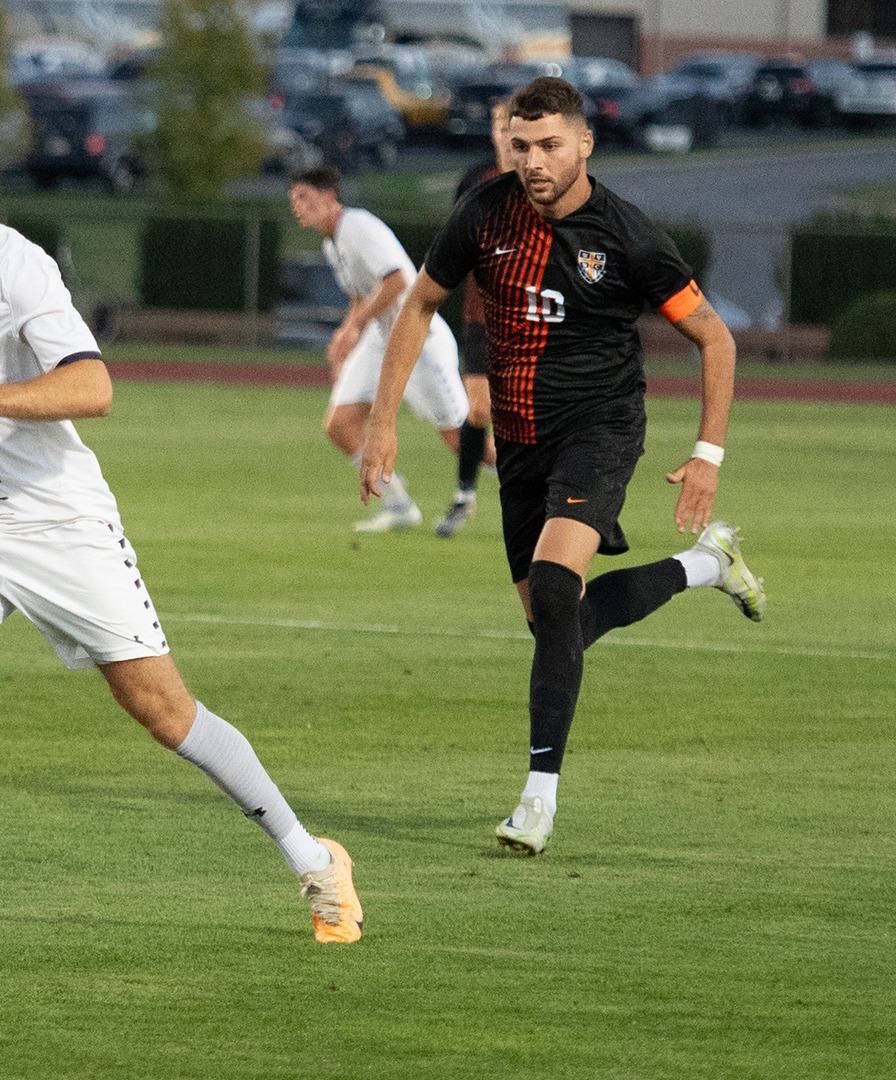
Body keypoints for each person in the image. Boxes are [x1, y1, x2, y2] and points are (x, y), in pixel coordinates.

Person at [0, 99, 364, 943]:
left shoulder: (17, 268)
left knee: (165, 713)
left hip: (62, 523)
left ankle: (315, 859)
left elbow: (95, 387)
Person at [358, 77, 766, 856]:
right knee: (559, 625)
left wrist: (706, 455)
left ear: (584, 144)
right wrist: (383, 423)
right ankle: (707, 566)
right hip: (520, 442)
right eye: (521, 146)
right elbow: (418, 304)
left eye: (549, 146)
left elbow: (717, 338)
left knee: (552, 587)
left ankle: (537, 800)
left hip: (601, 429)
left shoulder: (628, 236)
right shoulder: (484, 213)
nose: (535, 161)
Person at [288, 166, 477, 533]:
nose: (297, 206)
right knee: (340, 423)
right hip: (382, 338)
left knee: (461, 439)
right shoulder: (332, 242)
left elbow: (397, 282)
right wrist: (347, 331)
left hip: (420, 340)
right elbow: (363, 295)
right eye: (294, 199)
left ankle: (538, 486)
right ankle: (400, 505)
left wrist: (356, 326)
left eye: (304, 198)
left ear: (329, 198)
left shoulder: (357, 226)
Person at [436, 97, 514, 539]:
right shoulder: (476, 181)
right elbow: (454, 243)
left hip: (531, 316)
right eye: (500, 125)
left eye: (513, 125)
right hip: (481, 313)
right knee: (479, 407)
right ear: (492, 131)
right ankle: (465, 495)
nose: (506, 133)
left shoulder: (538, 179)